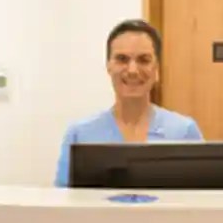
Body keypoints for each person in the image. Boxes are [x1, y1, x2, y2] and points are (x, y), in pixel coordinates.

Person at [54, 19, 203, 187]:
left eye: (144, 60)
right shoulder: (80, 135)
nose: (132, 70)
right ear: (109, 67)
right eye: (122, 59)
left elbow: (199, 203)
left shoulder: (183, 132)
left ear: (157, 70)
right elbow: (64, 204)